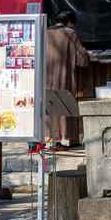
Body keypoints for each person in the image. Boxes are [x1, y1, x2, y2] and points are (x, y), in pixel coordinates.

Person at [45, 14, 89, 145]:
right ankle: (66, 139)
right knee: (65, 103)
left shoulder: (44, 33)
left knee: (50, 104)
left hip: (46, 78)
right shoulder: (70, 33)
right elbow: (82, 60)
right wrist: (88, 55)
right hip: (65, 77)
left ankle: (51, 139)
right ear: (69, 22)